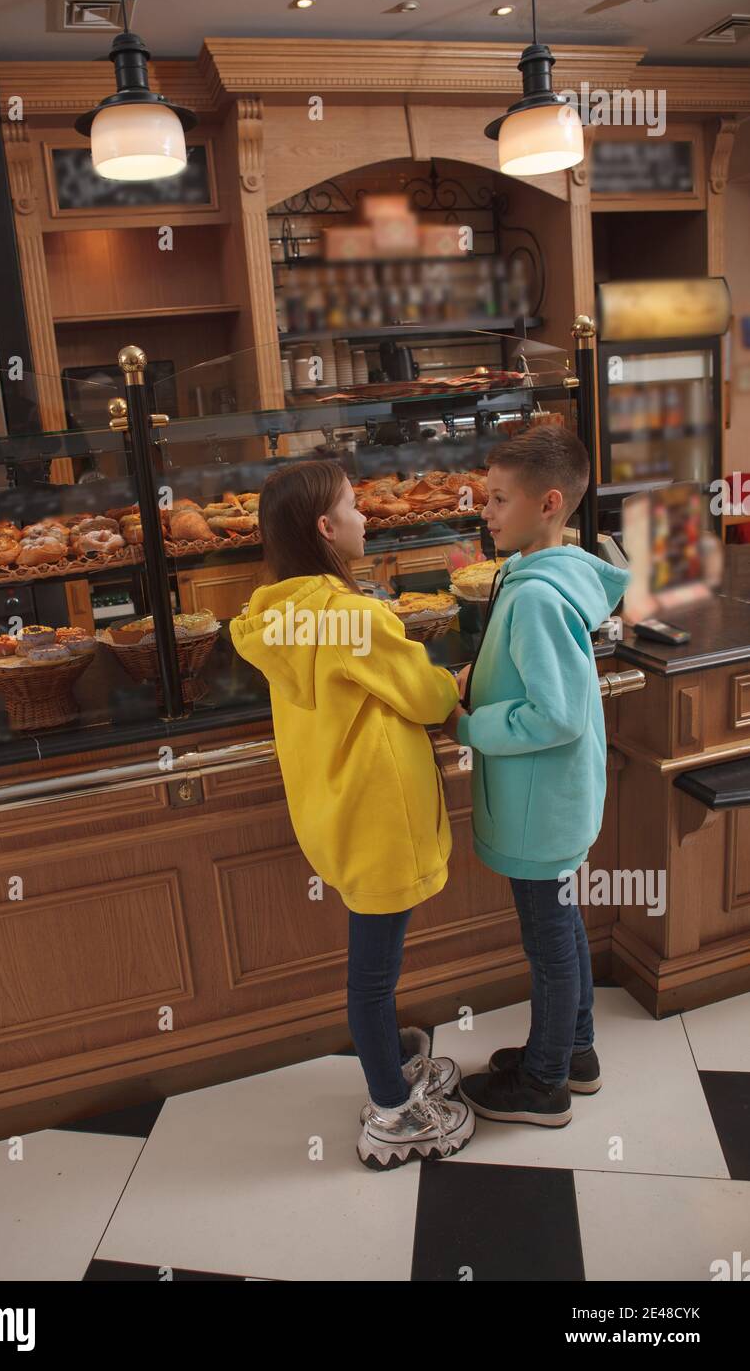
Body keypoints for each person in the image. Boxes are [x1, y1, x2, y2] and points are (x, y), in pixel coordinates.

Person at [230, 459, 475, 1170]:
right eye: (353, 506)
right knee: (373, 977)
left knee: (374, 964)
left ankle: (394, 1065)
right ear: (325, 528)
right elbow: (425, 699)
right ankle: (391, 1115)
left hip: (330, 813)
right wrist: (450, 681)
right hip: (378, 818)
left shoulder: (273, 614)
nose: (366, 516)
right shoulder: (352, 618)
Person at [448, 424, 630, 1127]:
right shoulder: (544, 575)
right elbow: (528, 673)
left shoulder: (535, 596)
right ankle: (574, 1052)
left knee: (549, 944)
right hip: (553, 802)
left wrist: (470, 726)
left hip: (539, 809)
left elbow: (554, 714)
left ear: (549, 502)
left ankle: (545, 1082)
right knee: (563, 933)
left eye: (498, 499)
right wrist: (476, 676)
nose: (484, 511)